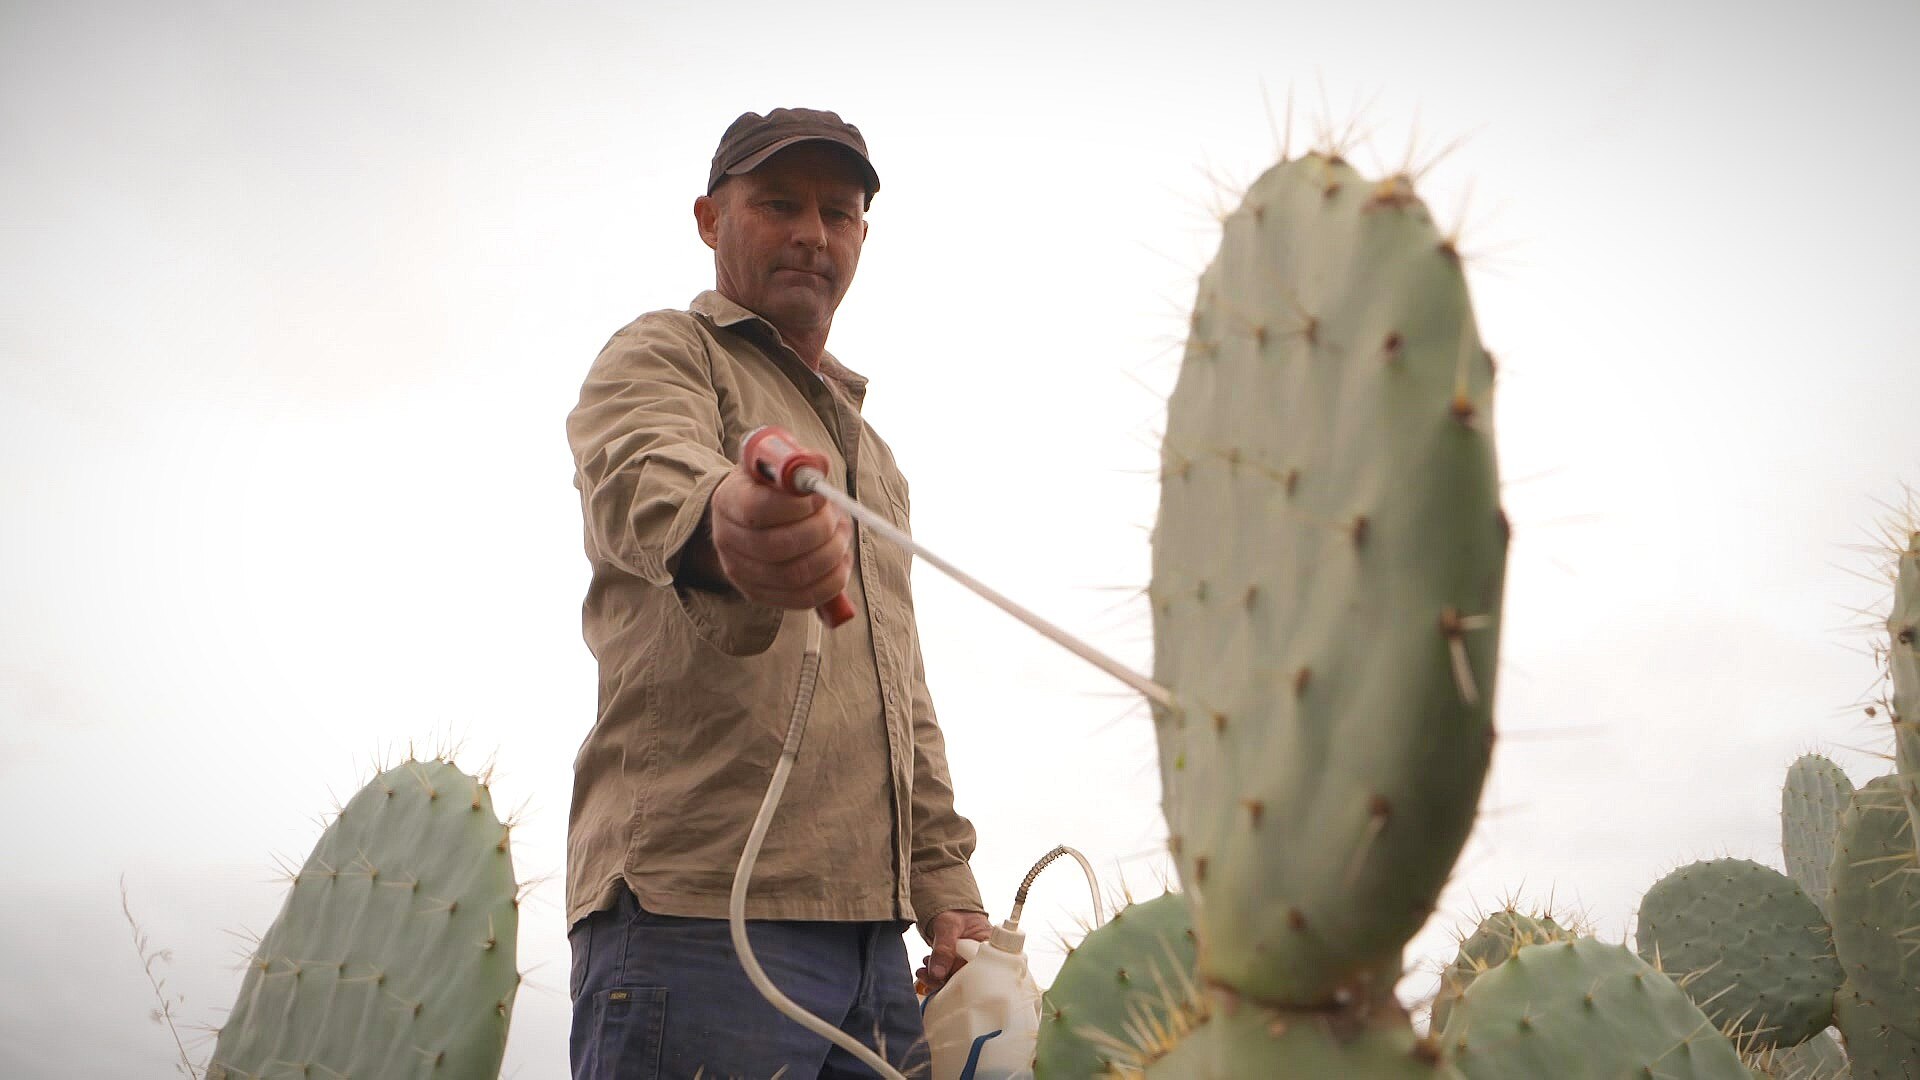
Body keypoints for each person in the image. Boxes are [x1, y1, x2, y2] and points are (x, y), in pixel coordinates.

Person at [563, 107, 991, 1078]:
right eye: (779, 204)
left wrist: (947, 886)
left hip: (876, 947)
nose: (812, 232)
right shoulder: (665, 354)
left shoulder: (873, 456)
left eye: (838, 213)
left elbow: (902, 692)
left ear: (862, 239)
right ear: (711, 218)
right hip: (699, 917)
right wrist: (730, 522)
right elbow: (644, 470)